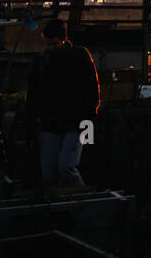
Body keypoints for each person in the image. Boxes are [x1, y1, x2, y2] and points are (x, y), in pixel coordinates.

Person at [25, 19, 99, 187]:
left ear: (64, 40)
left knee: (66, 167)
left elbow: (92, 92)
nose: (51, 48)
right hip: (51, 125)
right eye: (48, 44)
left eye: (55, 44)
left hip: (75, 124)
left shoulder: (80, 57)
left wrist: (88, 126)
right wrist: (31, 127)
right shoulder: (42, 63)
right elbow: (33, 98)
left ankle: (84, 199)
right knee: (49, 174)